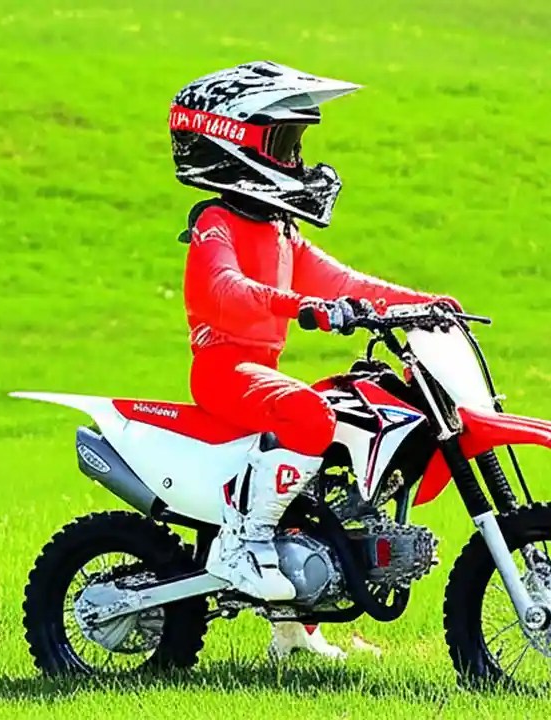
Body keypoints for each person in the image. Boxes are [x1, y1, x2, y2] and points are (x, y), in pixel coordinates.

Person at [170, 61, 460, 657]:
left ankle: (297, 627)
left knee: (338, 443)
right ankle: (246, 544)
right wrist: (302, 306)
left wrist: (422, 304)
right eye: (284, 144)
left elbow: (347, 283)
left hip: (260, 374)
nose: (296, 160)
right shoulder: (216, 224)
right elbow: (224, 290)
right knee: (311, 414)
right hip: (224, 372)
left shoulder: (281, 231)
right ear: (230, 144)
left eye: (296, 144)